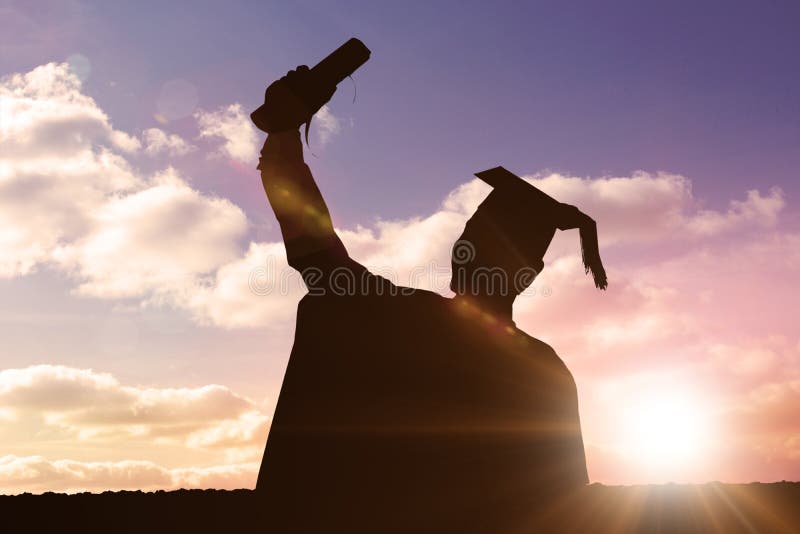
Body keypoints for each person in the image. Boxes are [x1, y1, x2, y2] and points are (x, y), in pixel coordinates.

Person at [253, 67, 607, 532]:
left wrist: (283, 136)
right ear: (528, 274)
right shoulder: (549, 371)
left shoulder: (408, 320)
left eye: (471, 241)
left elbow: (316, 257)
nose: (461, 249)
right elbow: (564, 509)